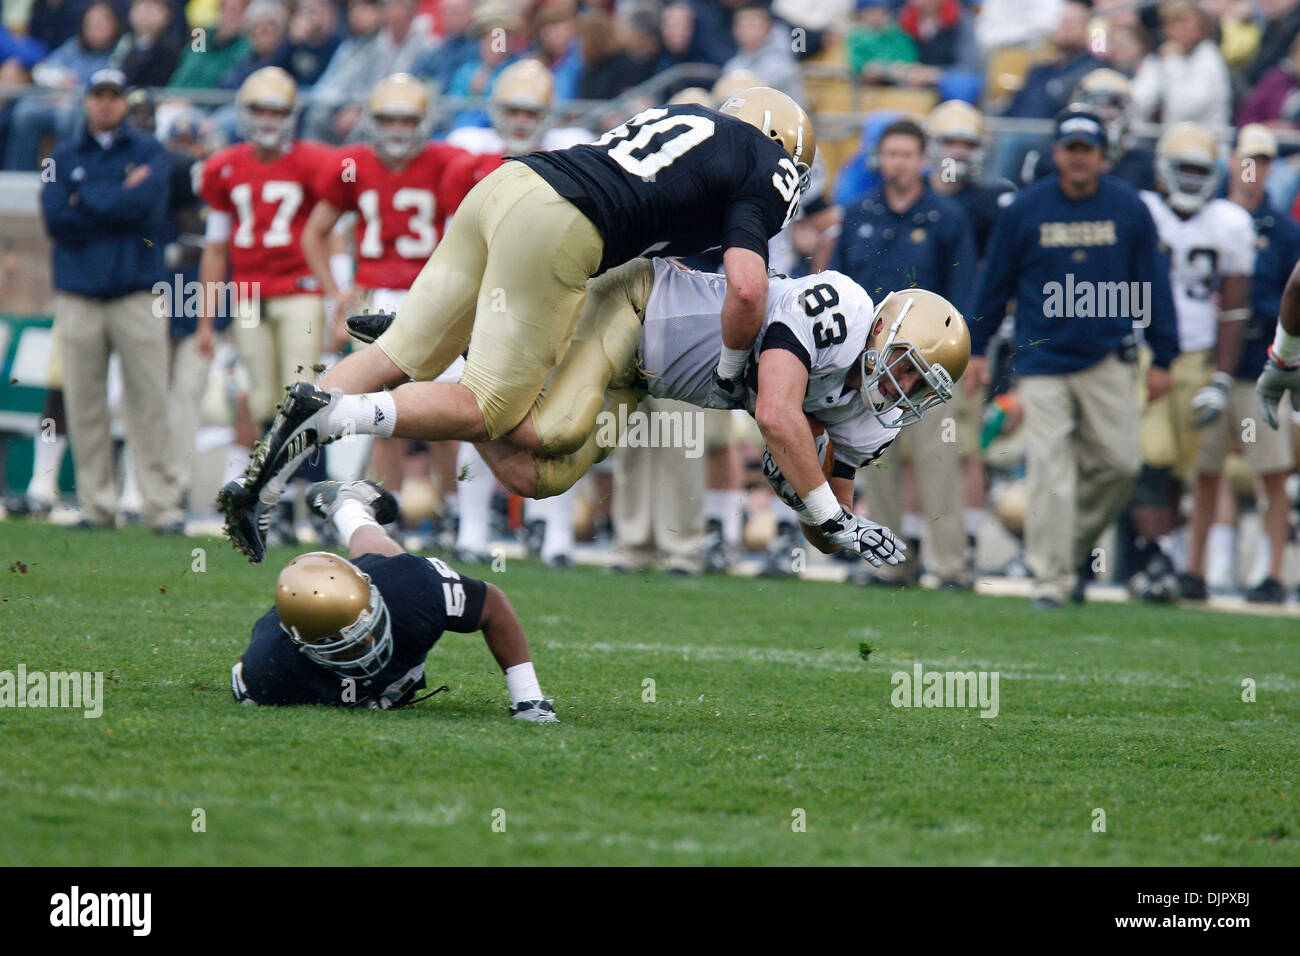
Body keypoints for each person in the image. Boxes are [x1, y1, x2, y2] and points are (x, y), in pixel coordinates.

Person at [219, 87, 817, 563]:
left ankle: (263, 481)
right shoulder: (762, 159)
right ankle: (334, 415)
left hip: (507, 186)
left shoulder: (685, 121)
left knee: (397, 356)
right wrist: (732, 368)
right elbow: (746, 286)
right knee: (492, 409)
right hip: (559, 223)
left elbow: (638, 218)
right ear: (776, 141)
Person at [968, 108, 1179, 608]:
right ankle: (1052, 582)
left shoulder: (1129, 208)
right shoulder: (1025, 209)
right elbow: (994, 279)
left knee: (1121, 464)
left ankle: (1066, 548)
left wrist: (1164, 355)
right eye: (1071, 149)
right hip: (1042, 360)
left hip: (1109, 355)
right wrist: (977, 347)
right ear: (1058, 153)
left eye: (1089, 150)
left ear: (1103, 156)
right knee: (1050, 470)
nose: (1079, 159)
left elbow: (1152, 285)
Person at [231, 478, 559, 721]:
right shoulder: (269, 668)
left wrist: (529, 699)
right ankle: (348, 505)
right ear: (305, 645)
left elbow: (494, 605)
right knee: (381, 563)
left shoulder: (413, 591)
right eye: (347, 646)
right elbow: (246, 682)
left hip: (389, 585)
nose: (369, 643)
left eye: (365, 627)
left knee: (386, 562)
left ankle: (348, 505)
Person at [830, 118, 976, 588]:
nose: (898, 162)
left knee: (938, 461)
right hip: (871, 362)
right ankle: (890, 564)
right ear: (880, 158)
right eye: (891, 153)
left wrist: (968, 360)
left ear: (923, 159)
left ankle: (950, 565)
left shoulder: (948, 218)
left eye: (907, 154)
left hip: (928, 366)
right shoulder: (858, 212)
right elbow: (839, 284)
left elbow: (964, 294)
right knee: (877, 463)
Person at [40, 68, 183, 532]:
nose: (106, 104)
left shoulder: (149, 150)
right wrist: (119, 196)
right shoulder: (63, 155)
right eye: (98, 95)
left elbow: (146, 207)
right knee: (84, 403)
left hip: (136, 292)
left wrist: (90, 200)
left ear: (125, 102)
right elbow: (56, 217)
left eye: (114, 96)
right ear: (87, 101)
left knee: (150, 403)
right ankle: (98, 504)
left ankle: (161, 505)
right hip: (81, 294)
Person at [196, 66, 332, 545]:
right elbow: (215, 249)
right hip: (250, 293)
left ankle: (300, 506)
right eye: (260, 109)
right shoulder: (225, 167)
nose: (269, 119)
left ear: (292, 114)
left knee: (303, 399)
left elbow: (334, 232)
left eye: (277, 110)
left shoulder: (315, 163)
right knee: (258, 401)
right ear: (244, 113)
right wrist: (206, 321)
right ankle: (262, 501)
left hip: (300, 289)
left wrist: (336, 295)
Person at [1128, 122, 1254, 604]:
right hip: (1148, 352)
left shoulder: (1229, 222)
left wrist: (1221, 376)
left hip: (1200, 355)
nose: (1194, 178)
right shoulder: (1143, 212)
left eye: (1202, 170)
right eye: (1186, 169)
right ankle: (1157, 556)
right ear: (1164, 169)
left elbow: (1235, 307)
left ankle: (1174, 562)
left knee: (1188, 465)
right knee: (1153, 457)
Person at [1184, 124, 1299, 603]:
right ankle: (1195, 568)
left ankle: (1271, 572)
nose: (1255, 169)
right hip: (1214, 361)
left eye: (1265, 161)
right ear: (1231, 160)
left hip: (1261, 366)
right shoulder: (1208, 218)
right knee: (1204, 469)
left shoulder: (1285, 231)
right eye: (1249, 158)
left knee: (1271, 471)